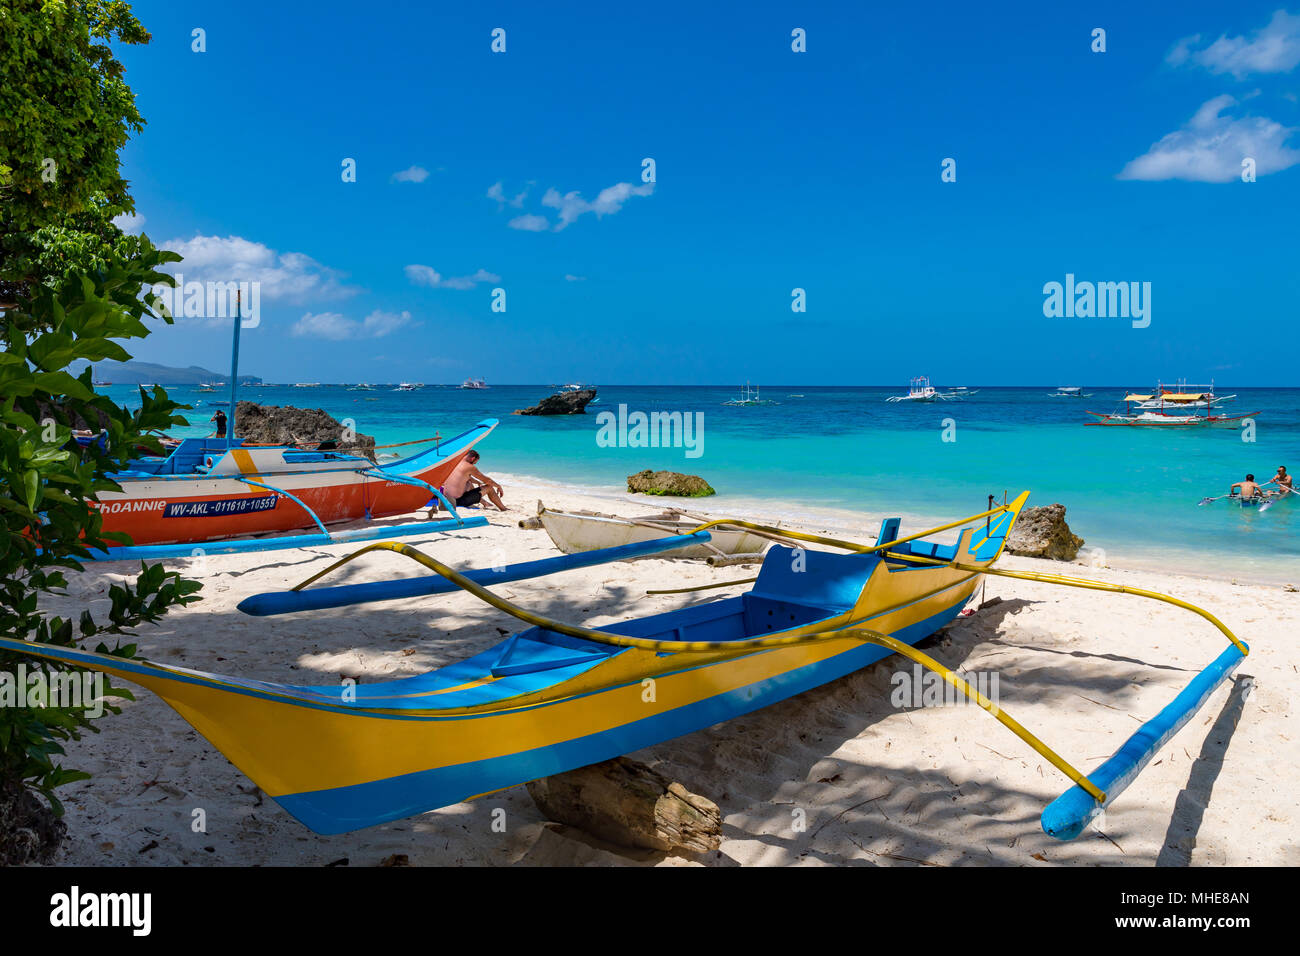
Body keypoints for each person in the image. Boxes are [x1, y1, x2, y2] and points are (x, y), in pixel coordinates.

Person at [439, 450, 506, 511]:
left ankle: (485, 503)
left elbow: (464, 478)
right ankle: (503, 508)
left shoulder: (454, 463)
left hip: (445, 499)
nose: (473, 464)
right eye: (474, 463)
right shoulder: (469, 467)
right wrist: (498, 486)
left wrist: (478, 482)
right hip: (458, 501)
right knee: (489, 488)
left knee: (468, 483)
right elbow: (488, 481)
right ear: (473, 458)